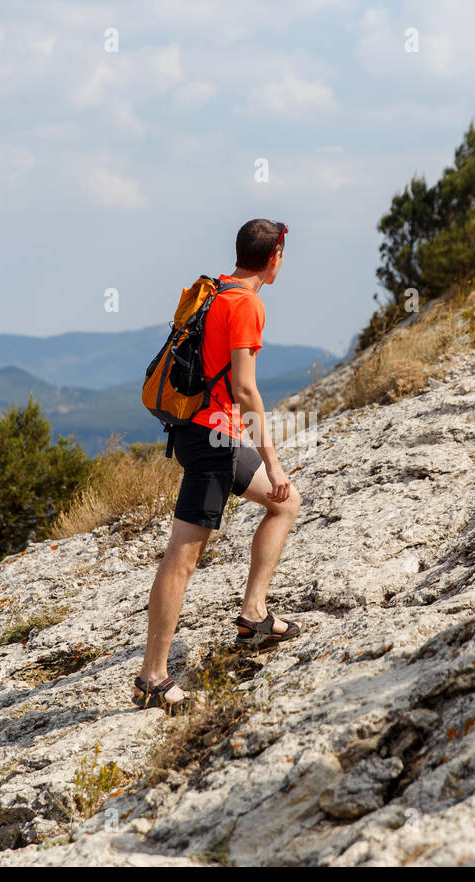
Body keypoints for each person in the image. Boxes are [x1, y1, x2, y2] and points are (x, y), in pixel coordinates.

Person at [134, 219, 303, 714]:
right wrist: (273, 461)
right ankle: (153, 678)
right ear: (274, 257)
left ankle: (253, 616)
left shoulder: (215, 291)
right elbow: (246, 389)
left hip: (201, 434)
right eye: (283, 254)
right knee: (182, 557)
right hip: (213, 443)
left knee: (286, 503)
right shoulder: (248, 303)